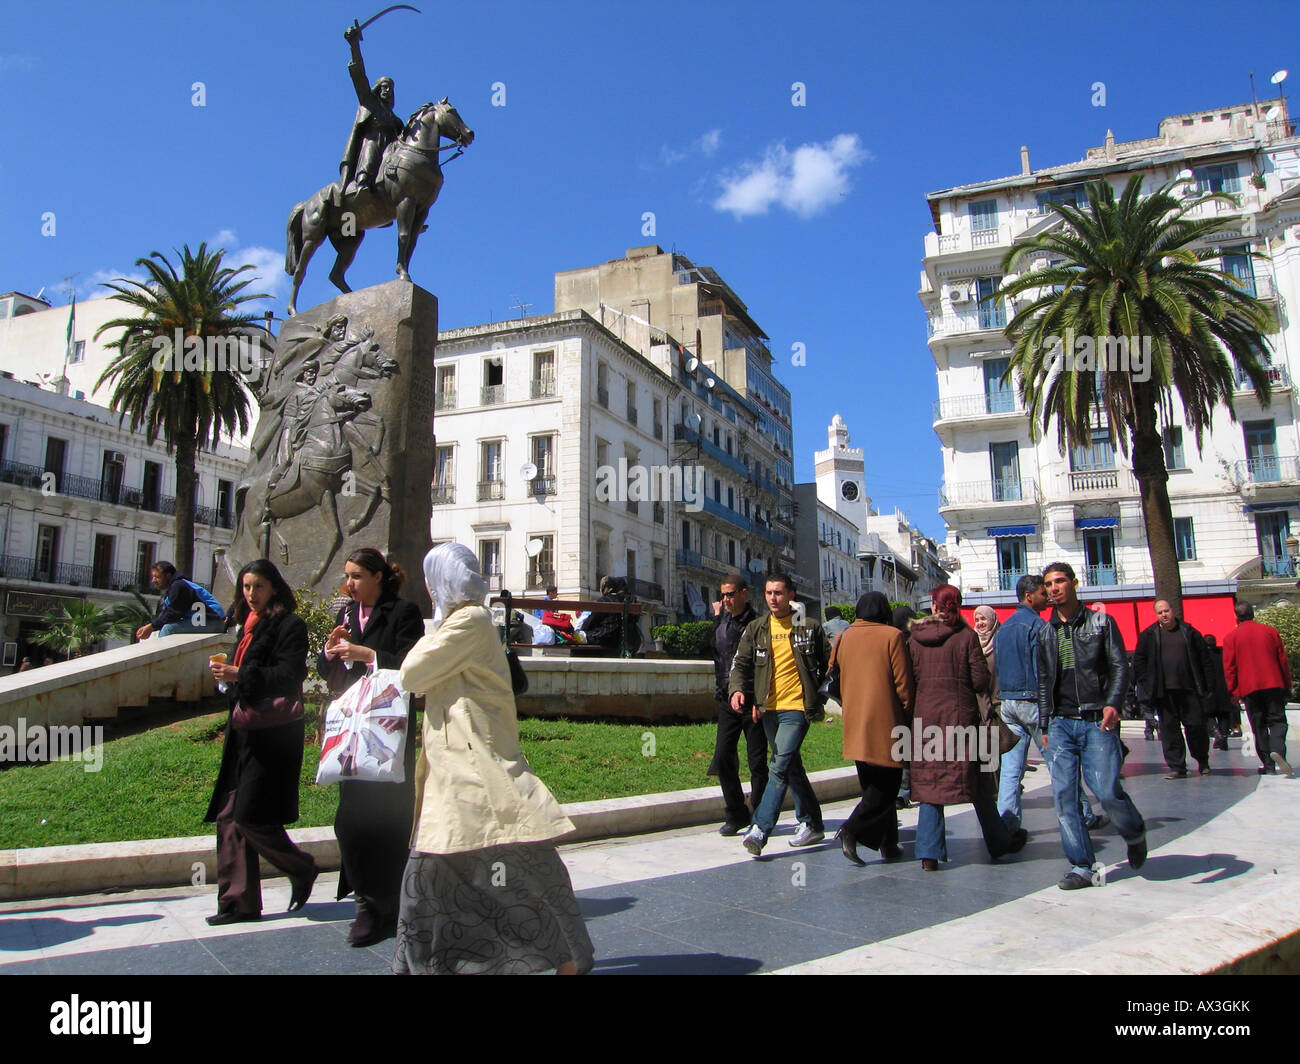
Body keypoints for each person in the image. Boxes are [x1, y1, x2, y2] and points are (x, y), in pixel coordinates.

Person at [393, 543, 594, 974]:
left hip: (472, 773)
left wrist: (435, 626)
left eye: (432, 579)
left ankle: (567, 959)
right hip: (457, 774)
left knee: (486, 873)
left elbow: (412, 674)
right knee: (471, 873)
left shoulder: (466, 622)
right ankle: (420, 963)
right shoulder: (467, 622)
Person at [317, 548, 425, 948]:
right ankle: (366, 901)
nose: (351, 583)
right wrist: (330, 652)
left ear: (379, 576)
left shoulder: (403, 612)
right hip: (352, 732)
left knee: (388, 820)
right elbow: (328, 671)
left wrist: (369, 655)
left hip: (386, 734)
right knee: (349, 821)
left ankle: (387, 905)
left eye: (358, 575)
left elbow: (412, 666)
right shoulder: (347, 614)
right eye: (348, 575)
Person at [204, 560, 317, 924]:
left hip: (273, 736)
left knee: (249, 815)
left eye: (259, 587)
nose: (251, 594)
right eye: (246, 587)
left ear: (274, 588)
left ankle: (300, 867)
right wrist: (229, 680)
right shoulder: (247, 627)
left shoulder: (290, 625)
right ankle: (239, 903)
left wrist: (240, 674)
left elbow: (289, 675)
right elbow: (246, 680)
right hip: (243, 732)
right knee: (228, 815)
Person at [1038, 562, 1147, 890]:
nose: (1054, 588)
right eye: (1048, 584)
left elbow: (1118, 665)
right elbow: (1044, 680)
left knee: (1106, 790)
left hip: (1096, 720)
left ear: (1073, 583)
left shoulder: (1101, 622)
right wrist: (1044, 723)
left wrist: (1113, 703)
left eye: (1059, 581)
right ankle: (1082, 865)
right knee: (1064, 796)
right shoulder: (1046, 632)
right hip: (1060, 723)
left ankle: (1133, 831)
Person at [908, 585, 1024, 871]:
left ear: (933, 606)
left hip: (926, 720)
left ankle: (928, 853)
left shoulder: (915, 638)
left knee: (930, 784)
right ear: (957, 605)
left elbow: (908, 678)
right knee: (977, 783)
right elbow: (979, 680)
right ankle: (998, 841)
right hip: (961, 719)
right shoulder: (966, 636)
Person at [993, 575, 1105, 835]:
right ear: (1029, 596)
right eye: (1043, 593)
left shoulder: (1005, 629)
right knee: (1060, 761)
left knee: (1011, 768)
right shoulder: (1039, 627)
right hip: (1032, 701)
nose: (1048, 597)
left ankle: (1007, 822)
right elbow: (1043, 670)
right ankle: (1083, 815)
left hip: (1009, 701)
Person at [730, 573, 827, 857]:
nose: (773, 598)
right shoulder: (756, 628)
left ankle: (760, 829)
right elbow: (741, 664)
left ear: (791, 595)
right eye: (769, 593)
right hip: (768, 709)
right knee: (790, 766)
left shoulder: (808, 627)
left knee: (780, 765)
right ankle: (812, 823)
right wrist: (737, 690)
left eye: (779, 593)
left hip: (797, 707)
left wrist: (817, 696)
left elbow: (828, 665)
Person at [833, 591, 913, 866]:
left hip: (854, 720)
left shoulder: (843, 636)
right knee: (888, 788)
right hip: (886, 721)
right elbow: (903, 685)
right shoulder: (892, 636)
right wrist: (908, 713)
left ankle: (888, 845)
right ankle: (851, 829)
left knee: (871, 784)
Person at [707, 572, 767, 835]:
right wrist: (717, 618)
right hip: (727, 699)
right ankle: (736, 812)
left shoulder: (758, 624)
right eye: (722, 595)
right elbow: (717, 655)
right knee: (722, 757)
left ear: (744, 593)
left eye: (730, 594)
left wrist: (759, 700)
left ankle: (761, 813)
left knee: (757, 762)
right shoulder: (722, 622)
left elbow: (764, 665)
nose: (725, 599)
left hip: (753, 701)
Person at [1133, 599, 1212, 779]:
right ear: (1156, 615)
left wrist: (1208, 685)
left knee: (1196, 727)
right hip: (1164, 692)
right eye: (1160, 612)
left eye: (1166, 611)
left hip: (1189, 690)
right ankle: (1177, 767)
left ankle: (1203, 761)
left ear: (1172, 610)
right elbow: (1139, 661)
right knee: (1169, 730)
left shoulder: (1189, 632)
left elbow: (1204, 660)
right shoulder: (1149, 635)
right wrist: (1147, 682)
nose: (1164, 615)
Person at [1222, 601, 1293, 777]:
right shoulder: (1270, 632)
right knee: (1277, 720)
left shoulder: (1231, 638)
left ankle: (1268, 764)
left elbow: (1229, 667)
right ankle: (1277, 750)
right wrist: (1286, 684)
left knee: (1258, 725)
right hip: (1273, 683)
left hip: (1249, 688)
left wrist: (1233, 691)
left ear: (1236, 616)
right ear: (1253, 614)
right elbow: (1282, 660)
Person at [339, 24, 404, 202]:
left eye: (390, 88)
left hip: (390, 152)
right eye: (384, 87)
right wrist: (354, 45)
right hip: (373, 142)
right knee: (372, 146)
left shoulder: (396, 121)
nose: (387, 90)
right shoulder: (369, 101)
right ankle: (363, 181)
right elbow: (359, 74)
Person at [135, 562, 225, 639]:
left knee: (169, 629)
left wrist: (152, 626)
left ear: (168, 576)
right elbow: (167, 614)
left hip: (213, 622)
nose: (153, 580)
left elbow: (174, 613)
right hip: (202, 621)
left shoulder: (179, 586)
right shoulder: (174, 588)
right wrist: (152, 626)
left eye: (157, 577)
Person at [891, 603, 917, 809]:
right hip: (916, 702)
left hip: (896, 703)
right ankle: (907, 789)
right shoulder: (917, 642)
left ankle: (901, 791)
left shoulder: (893, 642)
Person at [580, 576, 643, 656]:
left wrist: (584, 632)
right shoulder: (631, 601)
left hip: (607, 638)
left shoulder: (604, 600)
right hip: (629, 641)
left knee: (580, 639)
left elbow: (590, 622)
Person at [1201, 634, 1234, 751]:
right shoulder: (1223, 653)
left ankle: (1216, 733)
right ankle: (1223, 738)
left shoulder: (1202, 656)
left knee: (1208, 715)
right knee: (1224, 715)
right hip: (1224, 689)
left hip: (1208, 690)